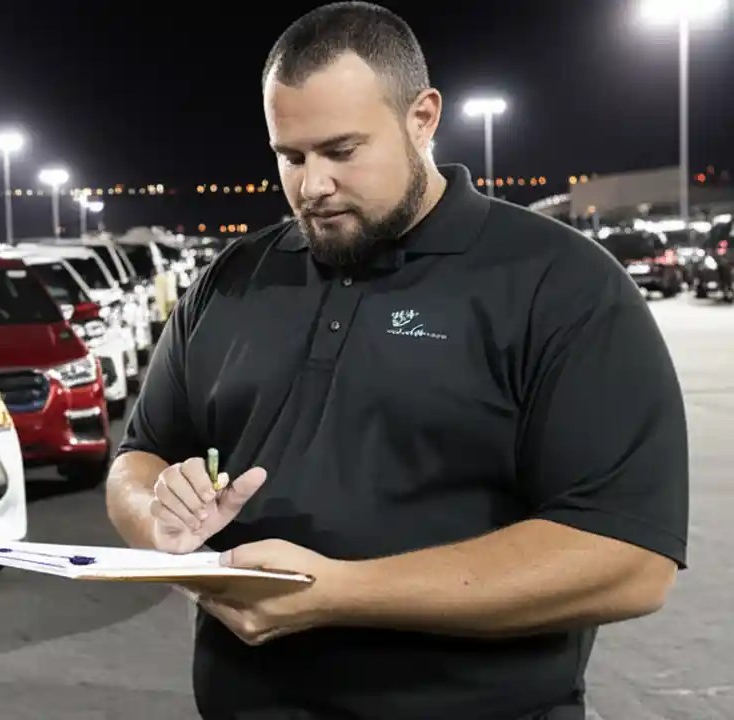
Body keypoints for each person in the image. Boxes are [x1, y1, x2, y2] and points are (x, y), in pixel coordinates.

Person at [104, 3, 689, 719]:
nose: (311, 185)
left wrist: (338, 595)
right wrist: (158, 520)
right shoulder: (231, 280)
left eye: (342, 151)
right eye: (290, 156)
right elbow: (138, 459)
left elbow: (628, 560)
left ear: (423, 118)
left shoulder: (560, 283)